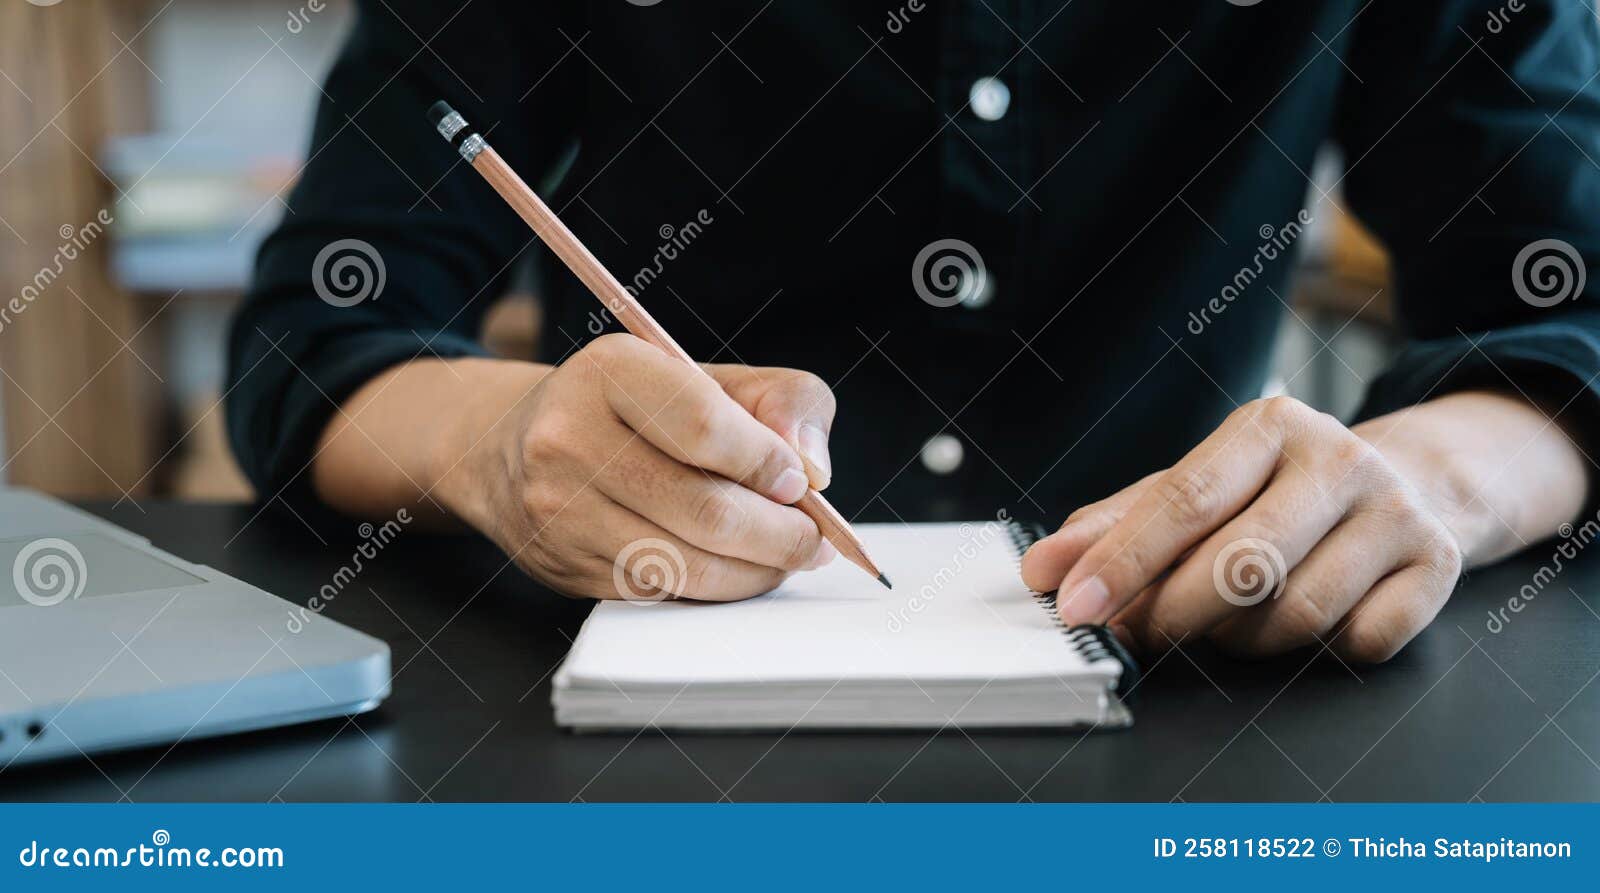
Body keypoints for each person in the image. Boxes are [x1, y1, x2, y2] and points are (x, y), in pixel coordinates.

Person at [227, 1, 1600, 663]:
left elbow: (1569, 299)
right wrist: (498, 442)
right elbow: (319, 330)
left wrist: (1438, 475)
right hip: (633, 727)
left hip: (1204, 693)